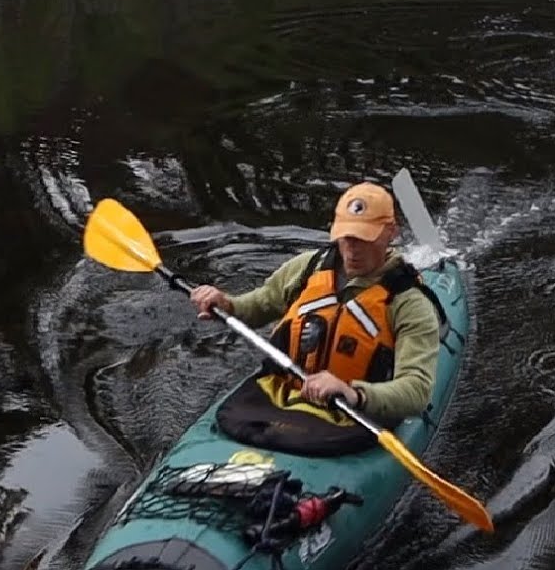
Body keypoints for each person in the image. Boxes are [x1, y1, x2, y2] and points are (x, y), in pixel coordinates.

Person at [189, 181, 443, 426]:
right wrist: (227, 305)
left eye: (365, 238)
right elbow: (259, 305)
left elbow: (417, 390)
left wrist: (353, 393)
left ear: (391, 232)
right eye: (346, 237)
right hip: (282, 400)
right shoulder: (307, 268)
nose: (353, 250)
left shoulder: (410, 303)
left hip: (354, 416)